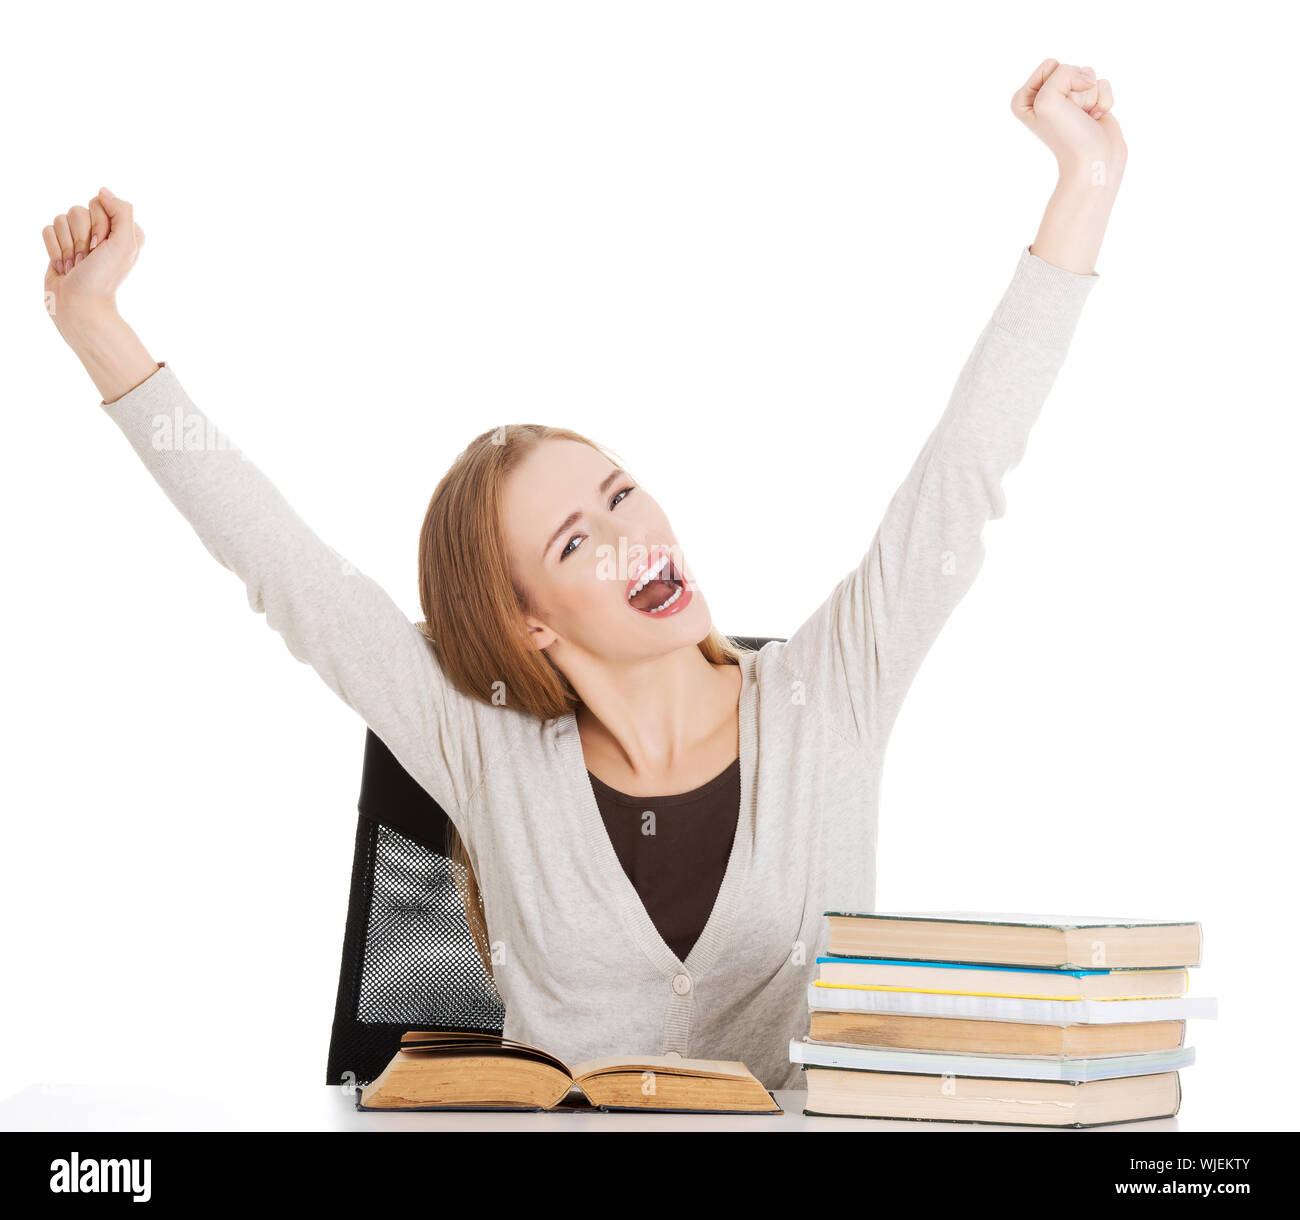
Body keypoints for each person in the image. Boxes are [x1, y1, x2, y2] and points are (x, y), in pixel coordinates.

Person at [41, 59, 1125, 1090]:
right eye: (572, 544)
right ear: (532, 628)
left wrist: (1083, 182)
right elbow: (277, 561)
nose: (630, 537)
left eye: (619, 496)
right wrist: (98, 328)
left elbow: (966, 466)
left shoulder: (827, 696)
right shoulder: (483, 743)